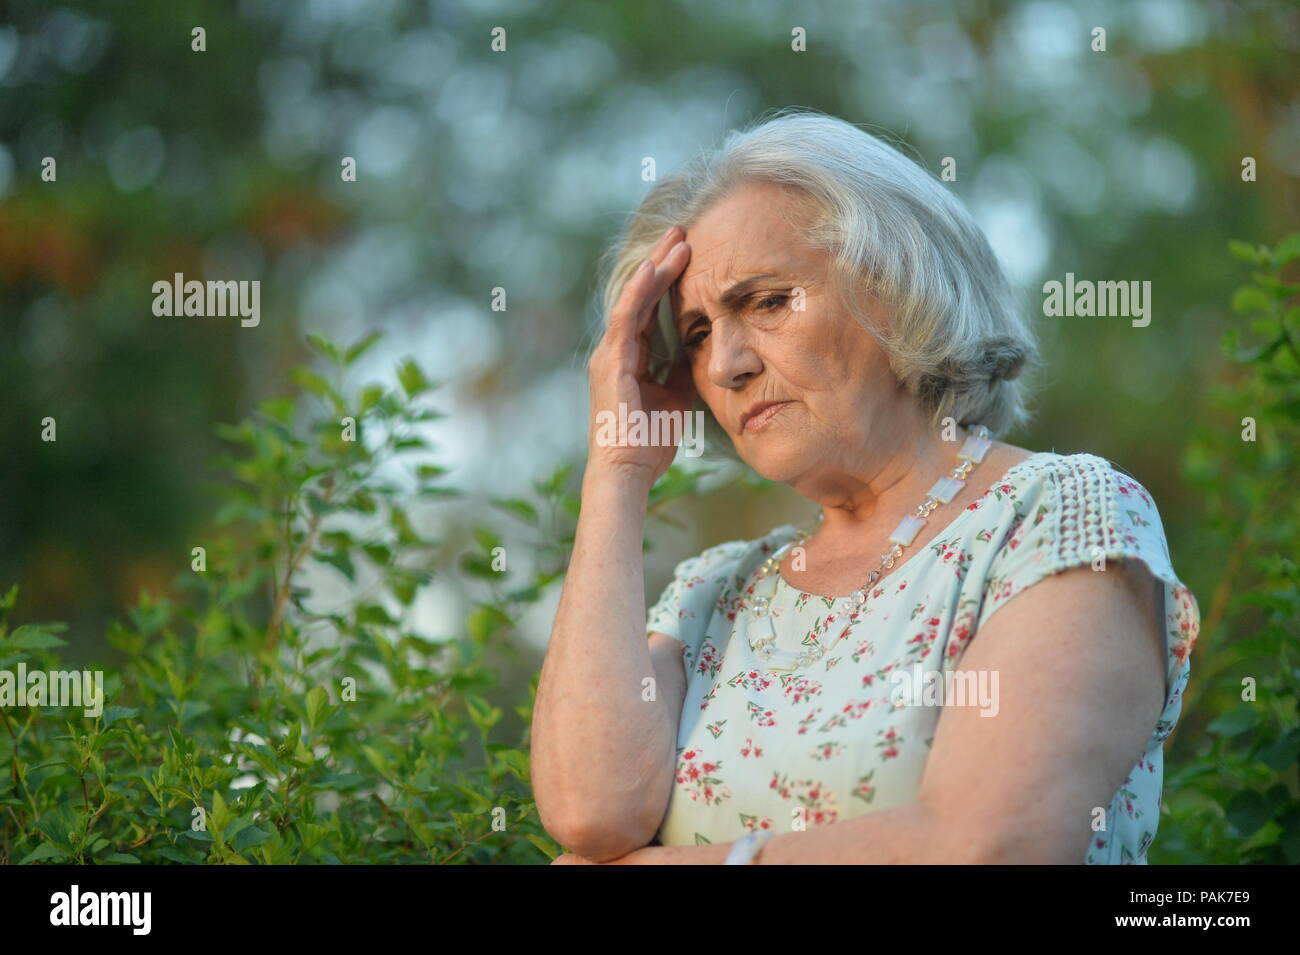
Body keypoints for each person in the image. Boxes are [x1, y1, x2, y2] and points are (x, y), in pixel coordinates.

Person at [531, 108, 1199, 865]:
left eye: (768, 301)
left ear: (894, 284)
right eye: (697, 334)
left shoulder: (1059, 515)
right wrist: (617, 470)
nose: (726, 365)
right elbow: (590, 813)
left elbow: (988, 848)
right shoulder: (717, 590)